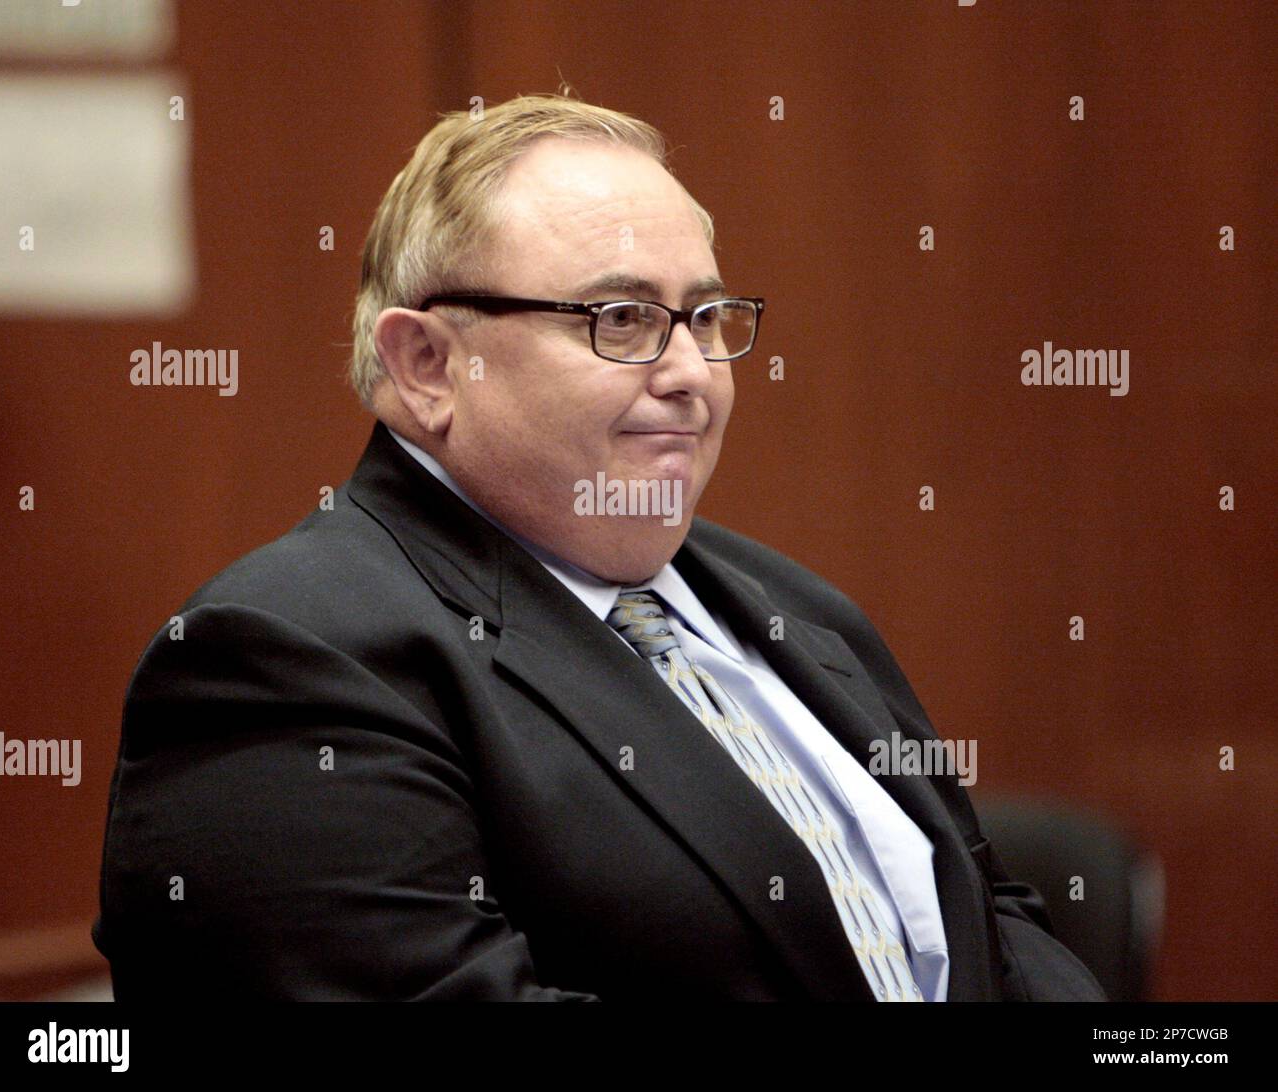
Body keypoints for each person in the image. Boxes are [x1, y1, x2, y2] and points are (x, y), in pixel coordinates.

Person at [93, 91, 1106, 1001]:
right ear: (429, 364)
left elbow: (990, 914)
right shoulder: (285, 658)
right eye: (621, 320)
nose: (691, 374)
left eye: (706, 318)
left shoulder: (797, 606)